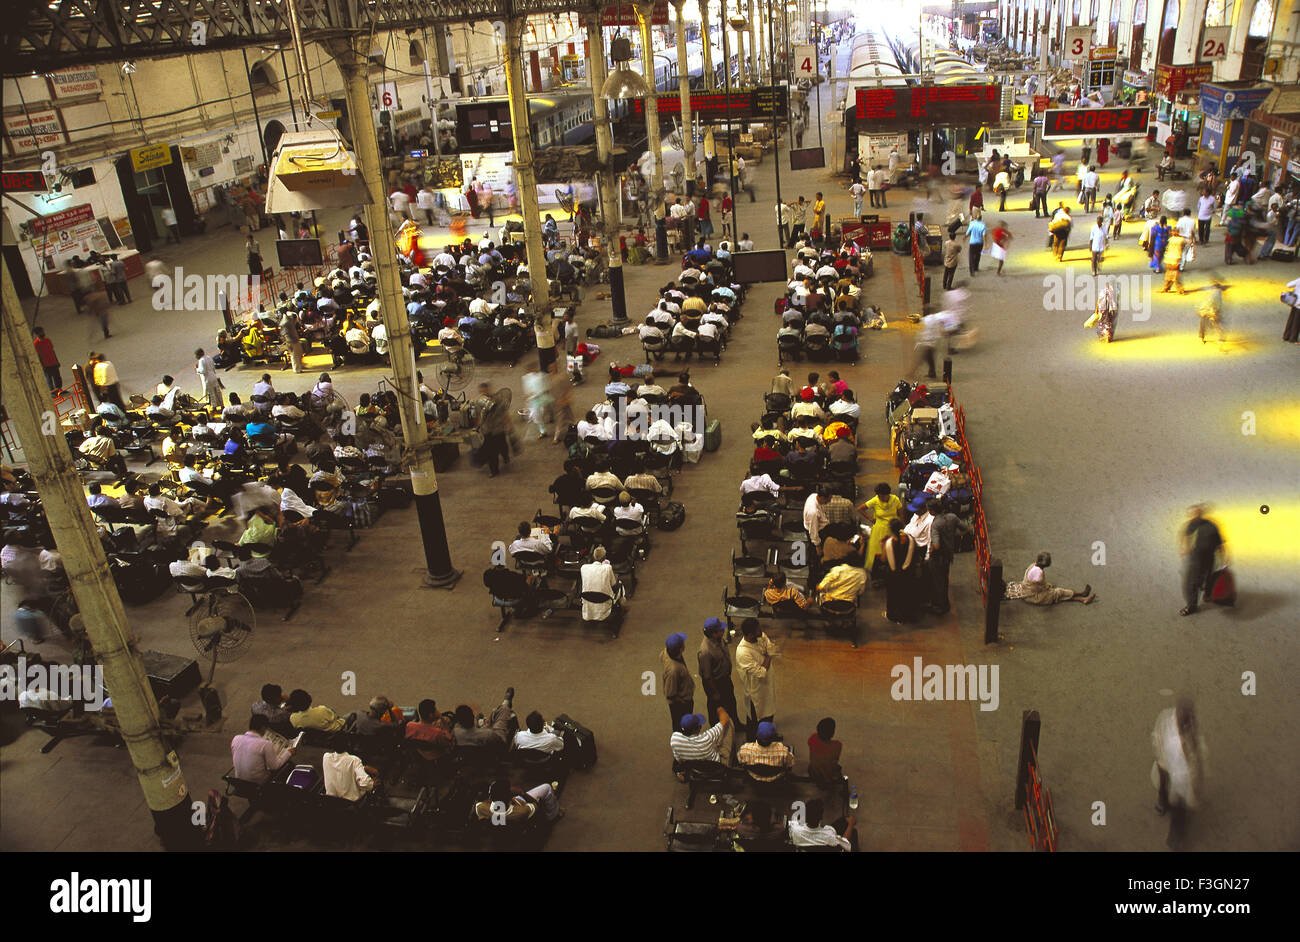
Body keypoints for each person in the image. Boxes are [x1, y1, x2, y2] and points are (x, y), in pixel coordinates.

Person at [1151, 698, 1206, 850]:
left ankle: (1172, 834)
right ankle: (1163, 804)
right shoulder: (1172, 724)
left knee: (1175, 802)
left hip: (1175, 773)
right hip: (1171, 771)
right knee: (1168, 793)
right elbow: (1157, 737)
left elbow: (1196, 758)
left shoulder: (1180, 725)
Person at [1179, 504, 1224, 616]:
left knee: (1209, 577)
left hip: (1210, 556)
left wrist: (1224, 556)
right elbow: (1184, 534)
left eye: (1197, 513)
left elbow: (1220, 542)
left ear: (1201, 513)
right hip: (1196, 557)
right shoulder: (1192, 524)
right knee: (1192, 581)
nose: (1194, 515)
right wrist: (1185, 547)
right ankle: (1191, 606)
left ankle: (1207, 594)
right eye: (1193, 513)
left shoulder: (1212, 525)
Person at [1004, 552, 1095, 605]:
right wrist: (1047, 588)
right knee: (1058, 593)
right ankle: (1081, 598)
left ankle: (1081, 596)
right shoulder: (1039, 573)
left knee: (1056, 592)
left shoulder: (1033, 565)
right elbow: (1041, 587)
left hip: (1027, 591)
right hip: (1033, 596)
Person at [736, 618, 777, 733]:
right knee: (756, 718)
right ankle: (753, 741)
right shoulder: (743, 652)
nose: (762, 631)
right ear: (750, 635)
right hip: (756, 691)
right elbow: (761, 672)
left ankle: (768, 735)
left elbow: (771, 648)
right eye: (758, 630)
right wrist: (768, 657)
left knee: (769, 713)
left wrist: (768, 656)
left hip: (767, 686)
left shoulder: (760, 636)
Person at [230, 714, 296, 784]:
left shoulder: (236, 739)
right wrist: (288, 753)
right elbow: (274, 766)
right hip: (257, 783)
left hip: (239, 781)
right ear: (263, 728)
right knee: (289, 764)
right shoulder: (265, 744)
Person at [859, 482, 903, 583]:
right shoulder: (875, 500)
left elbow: (901, 514)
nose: (880, 497)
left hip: (893, 529)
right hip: (879, 530)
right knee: (878, 552)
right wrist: (871, 519)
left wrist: (901, 527)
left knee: (891, 551)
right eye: (879, 495)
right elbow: (861, 509)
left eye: (882, 495)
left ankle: (891, 571)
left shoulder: (895, 500)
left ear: (888, 494)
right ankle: (878, 575)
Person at [697, 617, 738, 723]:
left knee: (731, 702)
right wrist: (714, 692)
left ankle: (735, 723)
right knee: (716, 706)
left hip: (725, 678)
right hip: (715, 683)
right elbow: (707, 676)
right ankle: (716, 732)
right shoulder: (705, 651)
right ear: (713, 633)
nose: (723, 631)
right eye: (721, 630)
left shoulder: (719, 639)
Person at [882, 518, 922, 622]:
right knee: (907, 593)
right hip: (908, 573)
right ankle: (907, 614)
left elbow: (883, 558)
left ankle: (892, 614)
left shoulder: (889, 542)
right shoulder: (911, 540)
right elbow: (916, 556)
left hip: (892, 574)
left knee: (893, 594)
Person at [474, 779, 562, 824]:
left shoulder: (480, 807)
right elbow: (535, 804)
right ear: (510, 795)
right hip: (521, 803)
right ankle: (552, 815)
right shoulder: (522, 811)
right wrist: (521, 793)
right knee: (546, 787)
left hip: (503, 819)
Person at [670, 708, 735, 768]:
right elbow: (725, 719)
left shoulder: (675, 739)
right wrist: (720, 709)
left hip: (693, 770)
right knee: (729, 722)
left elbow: (679, 760)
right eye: (700, 726)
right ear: (696, 729)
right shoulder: (706, 737)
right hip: (716, 767)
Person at [788, 798, 857, 851]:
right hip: (827, 836)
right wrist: (851, 824)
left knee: (841, 821)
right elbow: (847, 846)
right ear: (821, 817)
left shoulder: (795, 831)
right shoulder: (829, 835)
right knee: (848, 826)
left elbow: (792, 824)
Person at [662, 632, 695, 733]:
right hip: (681, 704)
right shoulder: (674, 670)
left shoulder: (666, 652)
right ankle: (682, 744)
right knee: (681, 726)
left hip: (682, 698)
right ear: (681, 649)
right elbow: (670, 693)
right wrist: (683, 701)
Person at [807, 717, 844, 783]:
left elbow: (811, 742)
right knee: (837, 767)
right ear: (832, 733)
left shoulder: (813, 738)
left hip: (814, 773)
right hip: (829, 774)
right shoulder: (837, 745)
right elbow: (835, 759)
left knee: (811, 766)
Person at [32, 327, 62, 392]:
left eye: (42, 331)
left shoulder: (47, 340)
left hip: (53, 361)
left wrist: (57, 361)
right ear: (37, 334)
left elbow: (52, 351)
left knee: (57, 376)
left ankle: (59, 390)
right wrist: (42, 365)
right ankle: (52, 392)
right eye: (41, 332)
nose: (42, 333)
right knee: (49, 379)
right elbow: (38, 356)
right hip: (46, 364)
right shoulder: (36, 344)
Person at [1197, 278, 1225, 344]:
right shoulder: (1218, 293)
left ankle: (1202, 337)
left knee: (1203, 322)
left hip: (1207, 310)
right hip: (1213, 311)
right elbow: (1217, 304)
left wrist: (1201, 309)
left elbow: (1206, 301)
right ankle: (1220, 338)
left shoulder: (1211, 292)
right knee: (1216, 323)